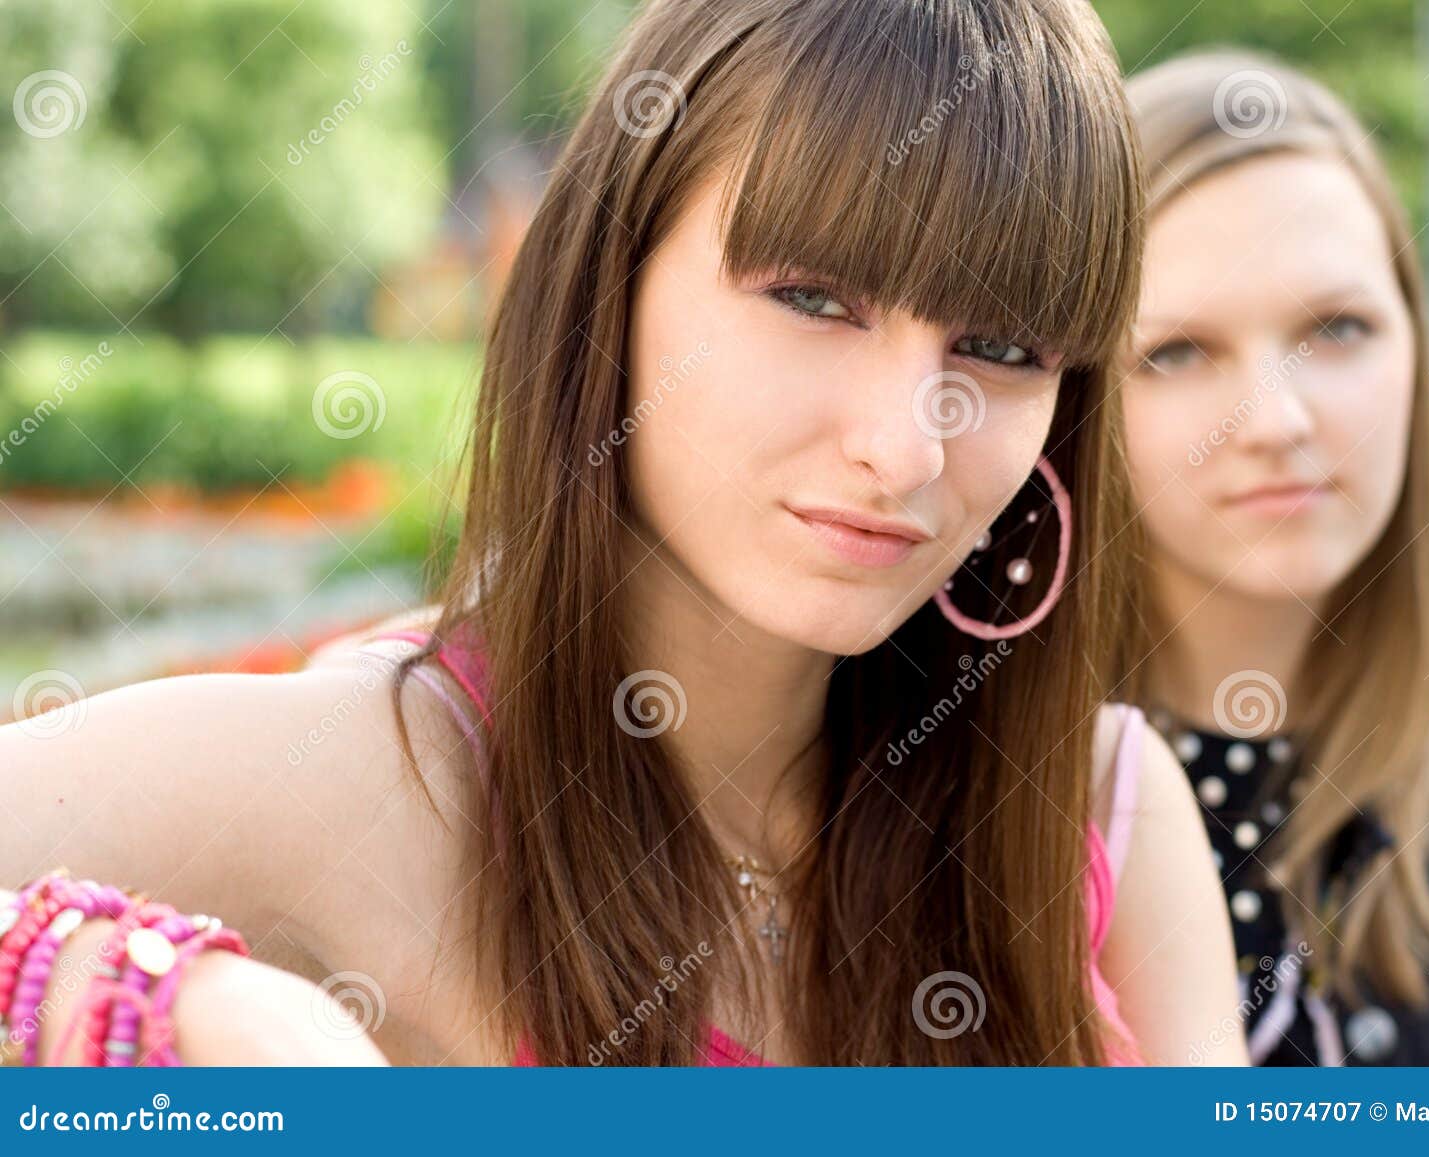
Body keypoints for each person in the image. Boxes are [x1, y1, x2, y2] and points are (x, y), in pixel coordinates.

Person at [3, 0, 1244, 1067]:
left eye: (1002, 349)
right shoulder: (369, 776)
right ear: (613, 280)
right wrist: (180, 1001)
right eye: (814, 299)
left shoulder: (1098, 817)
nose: (907, 444)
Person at [1114, 49, 1429, 1065]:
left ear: (1415, 348)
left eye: (1336, 327)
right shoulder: (955, 770)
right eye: (1177, 350)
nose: (1277, 418)